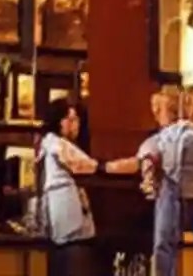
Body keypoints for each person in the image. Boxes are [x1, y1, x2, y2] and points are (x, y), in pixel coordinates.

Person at [36, 98, 138, 276]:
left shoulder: (50, 143)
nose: (76, 125)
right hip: (69, 226)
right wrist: (112, 167)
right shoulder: (55, 143)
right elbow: (82, 164)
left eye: (77, 120)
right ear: (60, 121)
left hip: (65, 225)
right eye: (71, 119)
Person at [137, 86, 193, 276]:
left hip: (177, 203)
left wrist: (105, 166)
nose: (156, 115)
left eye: (159, 110)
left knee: (167, 246)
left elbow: (146, 156)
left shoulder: (170, 137)